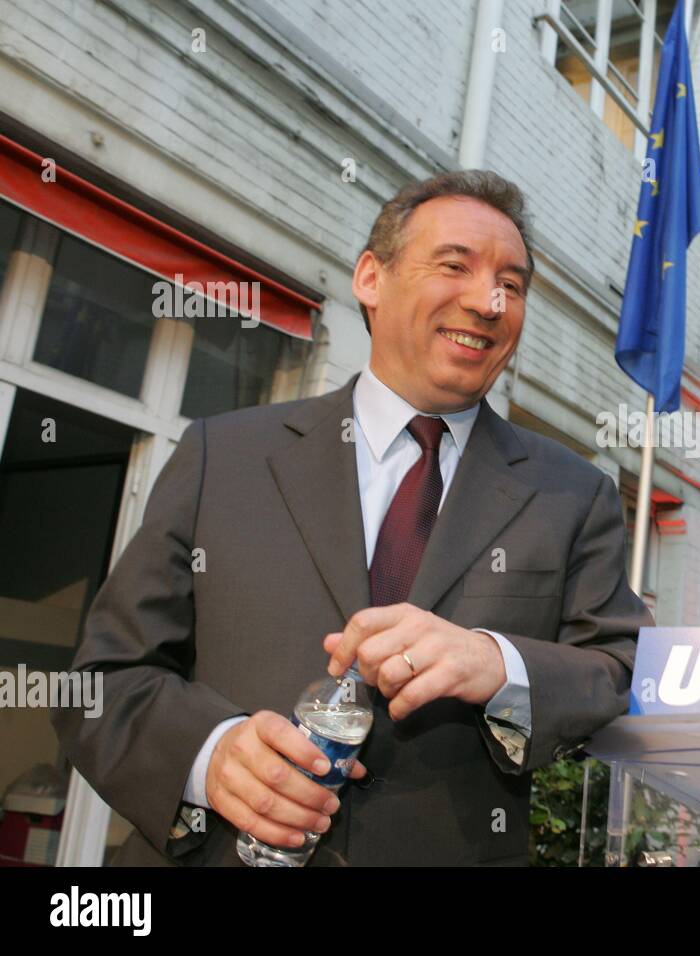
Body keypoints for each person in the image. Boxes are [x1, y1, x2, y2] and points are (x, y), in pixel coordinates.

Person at [52, 170, 652, 865]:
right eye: (454, 265)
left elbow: (623, 672)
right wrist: (209, 756)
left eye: (511, 285)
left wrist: (499, 663)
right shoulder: (225, 454)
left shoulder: (572, 493)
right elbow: (103, 680)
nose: (487, 301)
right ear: (371, 277)